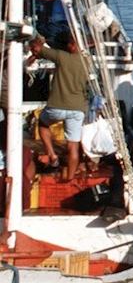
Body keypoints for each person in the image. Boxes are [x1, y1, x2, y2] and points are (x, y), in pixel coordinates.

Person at [29, 32, 89, 182]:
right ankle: (69, 178)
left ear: (73, 45)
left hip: (57, 105)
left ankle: (52, 154)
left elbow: (37, 48)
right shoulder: (87, 62)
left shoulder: (61, 57)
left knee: (42, 124)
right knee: (73, 147)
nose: (67, 45)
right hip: (77, 108)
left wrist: (36, 40)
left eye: (69, 43)